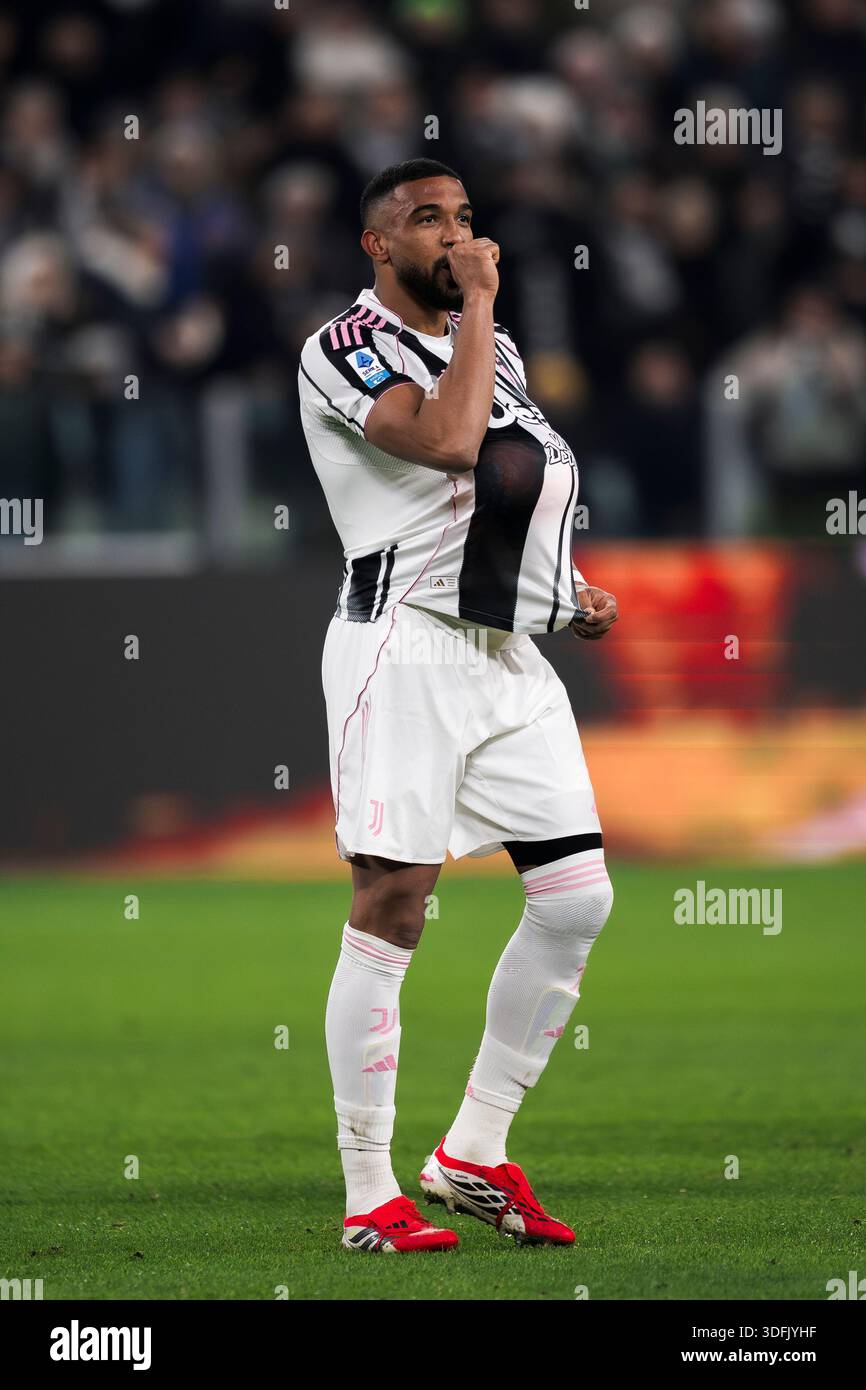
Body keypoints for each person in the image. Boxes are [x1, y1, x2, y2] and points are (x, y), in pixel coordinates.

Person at [298, 158, 618, 1254]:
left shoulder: (498, 348)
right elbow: (442, 443)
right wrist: (479, 300)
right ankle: (364, 1193)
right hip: (405, 647)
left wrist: (562, 591)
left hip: (507, 656)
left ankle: (471, 1153)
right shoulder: (345, 344)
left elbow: (507, 485)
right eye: (424, 220)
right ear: (376, 246)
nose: (454, 236)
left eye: (465, 218)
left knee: (575, 898)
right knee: (394, 904)